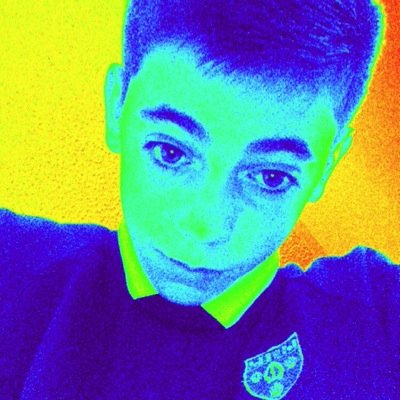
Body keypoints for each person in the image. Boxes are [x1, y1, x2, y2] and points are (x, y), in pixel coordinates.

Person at [0, 0, 398, 399]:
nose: (206, 226)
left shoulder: (375, 323)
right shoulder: (12, 265)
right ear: (117, 106)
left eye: (271, 177)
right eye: (170, 153)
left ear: (328, 165)